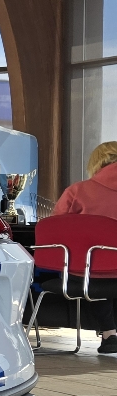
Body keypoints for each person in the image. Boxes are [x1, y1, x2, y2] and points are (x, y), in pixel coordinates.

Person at [52, 141, 117, 353]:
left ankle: (109, 334)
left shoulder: (77, 191)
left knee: (91, 267)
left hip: (86, 273)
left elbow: (54, 229)